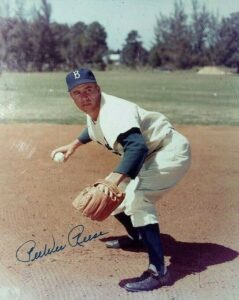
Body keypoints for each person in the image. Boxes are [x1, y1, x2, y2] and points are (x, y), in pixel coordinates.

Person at [51, 68, 191, 292]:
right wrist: (73, 145)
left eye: (89, 89)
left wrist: (113, 182)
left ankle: (159, 272)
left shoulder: (115, 111)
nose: (85, 96)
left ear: (98, 89)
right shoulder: (96, 111)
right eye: (78, 92)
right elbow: (92, 128)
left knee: (137, 199)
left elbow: (136, 147)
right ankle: (137, 238)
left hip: (168, 150)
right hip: (150, 153)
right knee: (114, 198)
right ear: (71, 97)